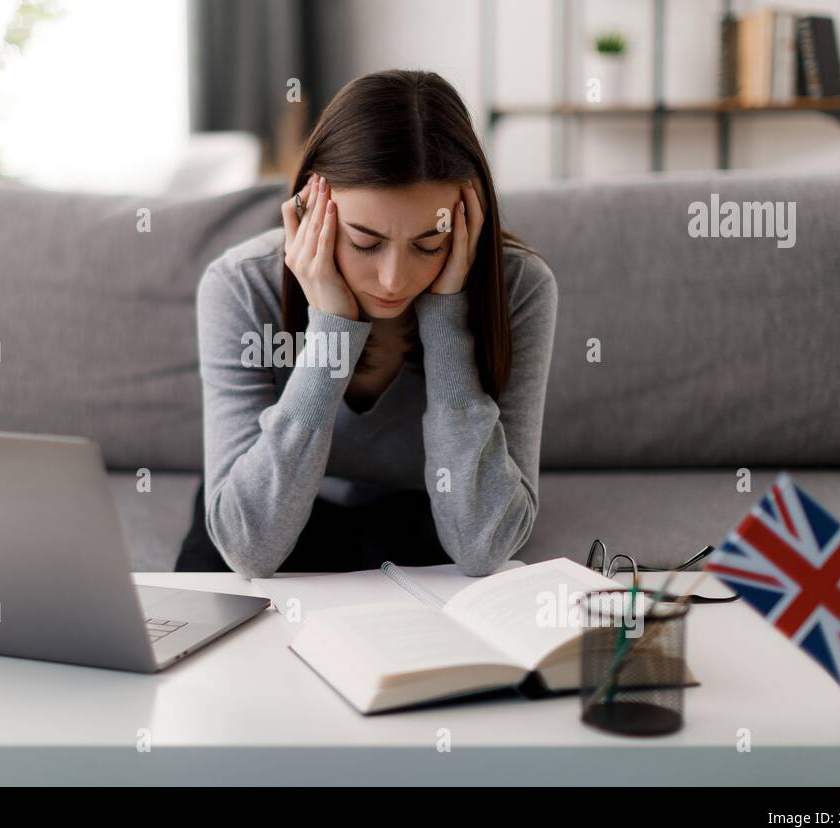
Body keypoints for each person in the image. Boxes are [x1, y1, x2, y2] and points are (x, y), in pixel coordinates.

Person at [176, 68, 558, 578]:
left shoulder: (520, 288)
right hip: (283, 514)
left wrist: (447, 322)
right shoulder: (240, 286)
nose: (395, 279)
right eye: (365, 242)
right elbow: (251, 549)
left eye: (429, 244)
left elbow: (482, 545)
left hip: (424, 520)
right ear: (312, 209)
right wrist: (331, 330)